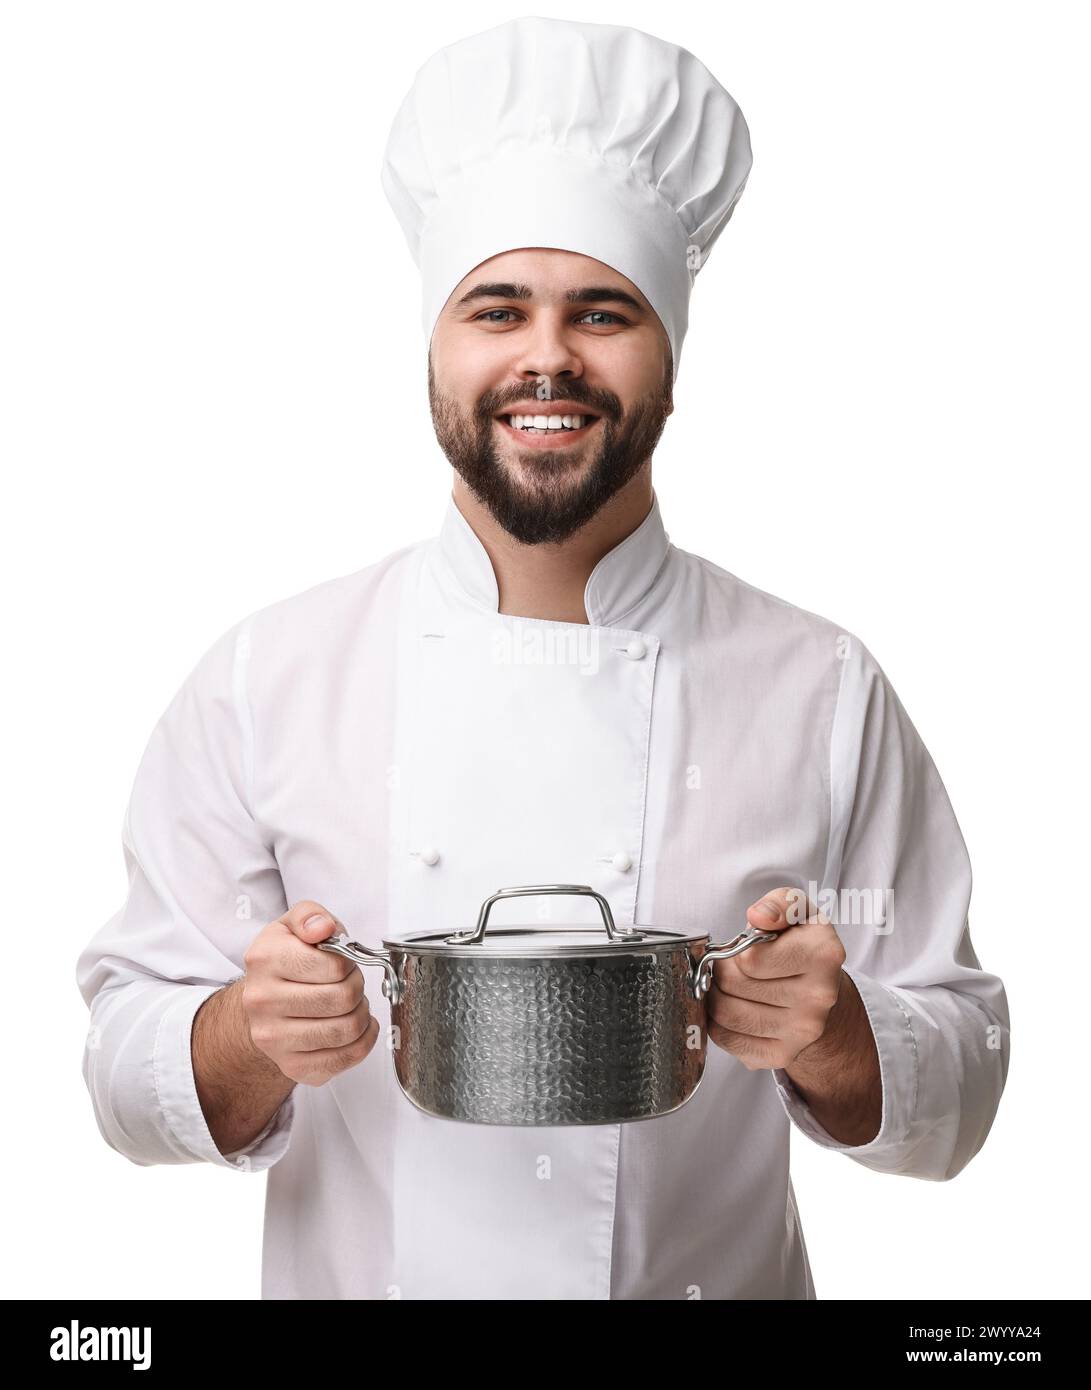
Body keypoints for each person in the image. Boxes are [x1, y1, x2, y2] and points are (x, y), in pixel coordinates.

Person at [76, 16, 1009, 1300]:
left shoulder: (822, 689)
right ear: (438, 349)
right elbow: (121, 1068)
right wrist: (244, 1032)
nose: (546, 356)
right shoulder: (264, 680)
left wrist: (838, 1034)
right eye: (496, 309)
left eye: (602, 311)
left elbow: (962, 1068)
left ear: (668, 357)